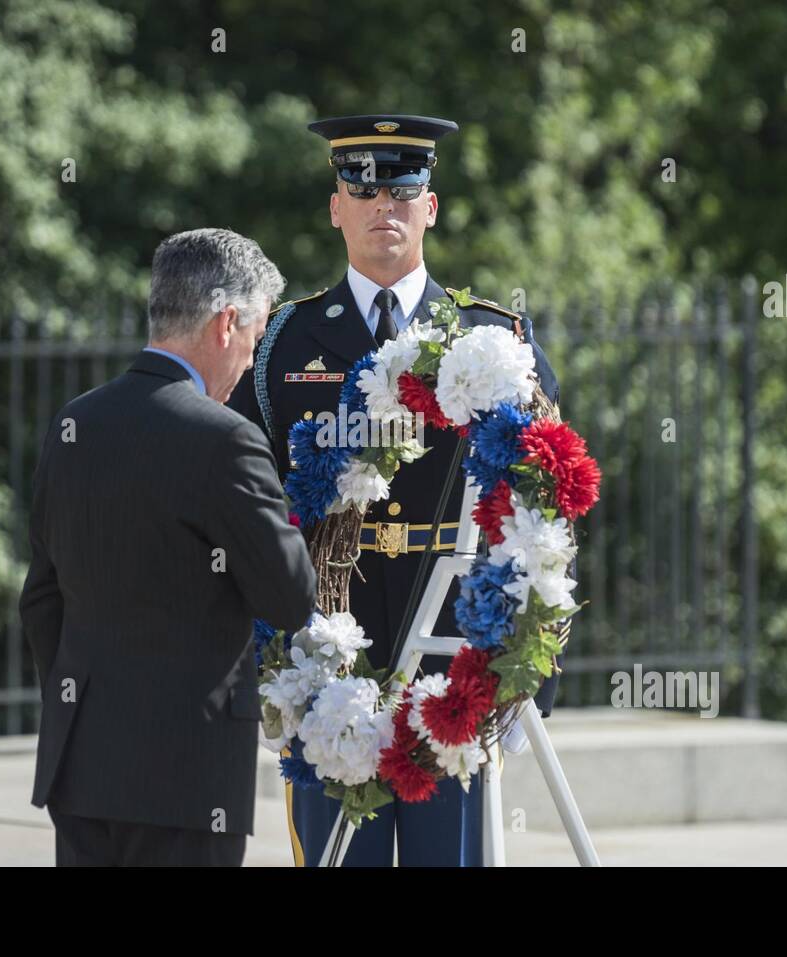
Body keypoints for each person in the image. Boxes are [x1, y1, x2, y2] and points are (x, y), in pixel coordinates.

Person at [228, 115, 565, 866]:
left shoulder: (492, 337)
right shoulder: (284, 342)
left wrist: (530, 662)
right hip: (324, 666)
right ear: (335, 206)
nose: (385, 203)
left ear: (431, 206)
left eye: (404, 185)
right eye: (362, 185)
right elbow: (242, 500)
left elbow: (549, 506)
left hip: (456, 660)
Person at [21, 228, 317, 866]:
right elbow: (290, 596)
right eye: (255, 337)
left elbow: (41, 600)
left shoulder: (75, 423)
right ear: (226, 322)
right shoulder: (225, 440)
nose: (248, 360)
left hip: (81, 769)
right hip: (186, 775)